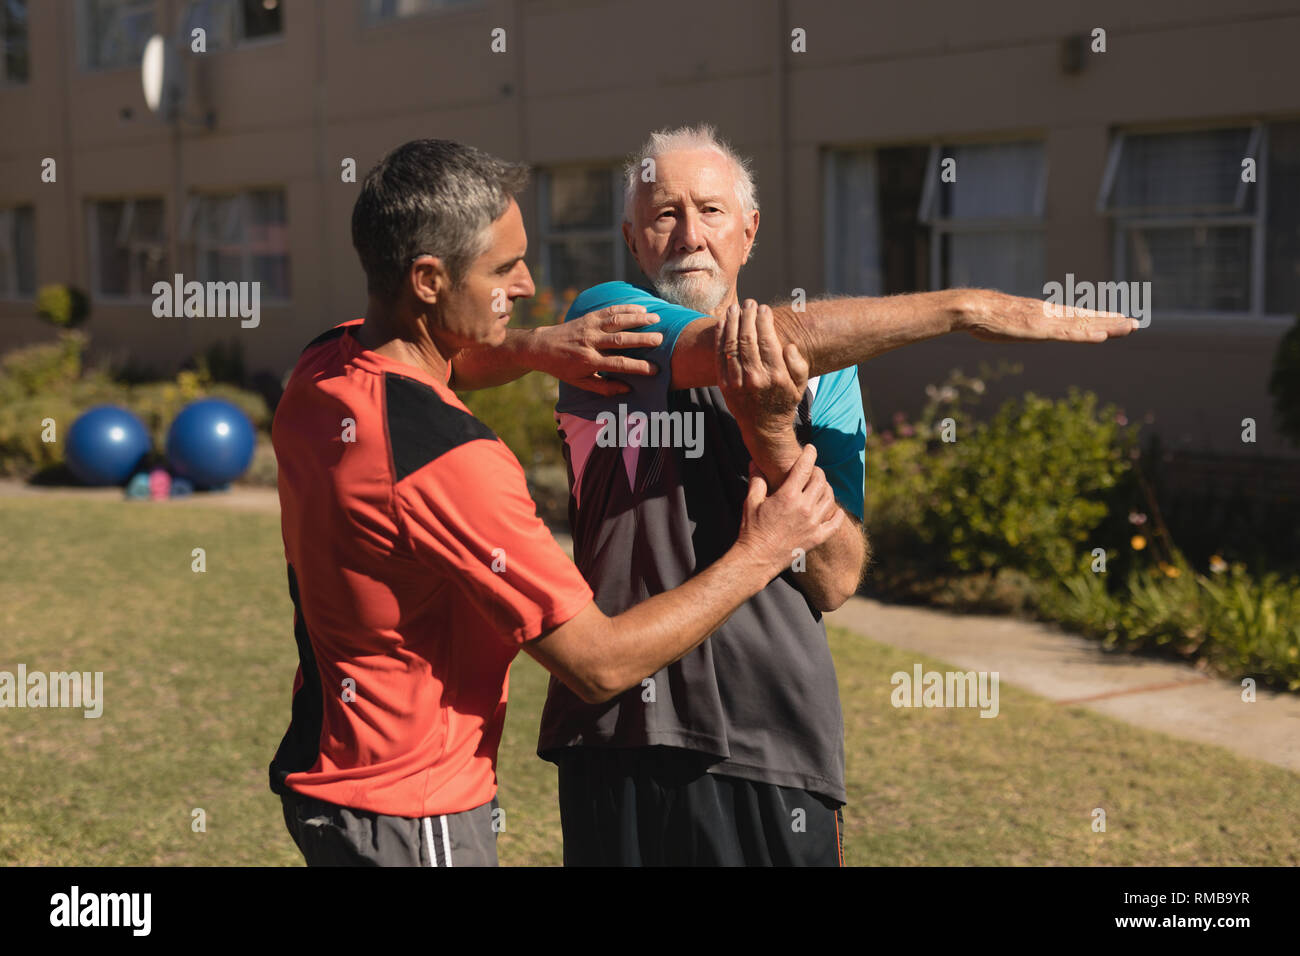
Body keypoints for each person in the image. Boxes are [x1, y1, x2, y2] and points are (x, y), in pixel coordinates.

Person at [537, 124, 1138, 866]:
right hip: (624, 737)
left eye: (712, 211)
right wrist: (963, 308)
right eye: (665, 214)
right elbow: (747, 347)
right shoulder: (603, 319)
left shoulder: (832, 376)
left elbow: (836, 578)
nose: (689, 234)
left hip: (780, 742)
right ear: (633, 237)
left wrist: (775, 437)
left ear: (749, 231)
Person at [268, 138, 843, 867]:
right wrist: (757, 554)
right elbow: (597, 664)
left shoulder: (321, 371)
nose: (525, 283)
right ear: (426, 278)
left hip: (326, 778)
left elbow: (438, 357)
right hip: (412, 810)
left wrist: (537, 347)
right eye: (503, 269)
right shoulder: (452, 461)